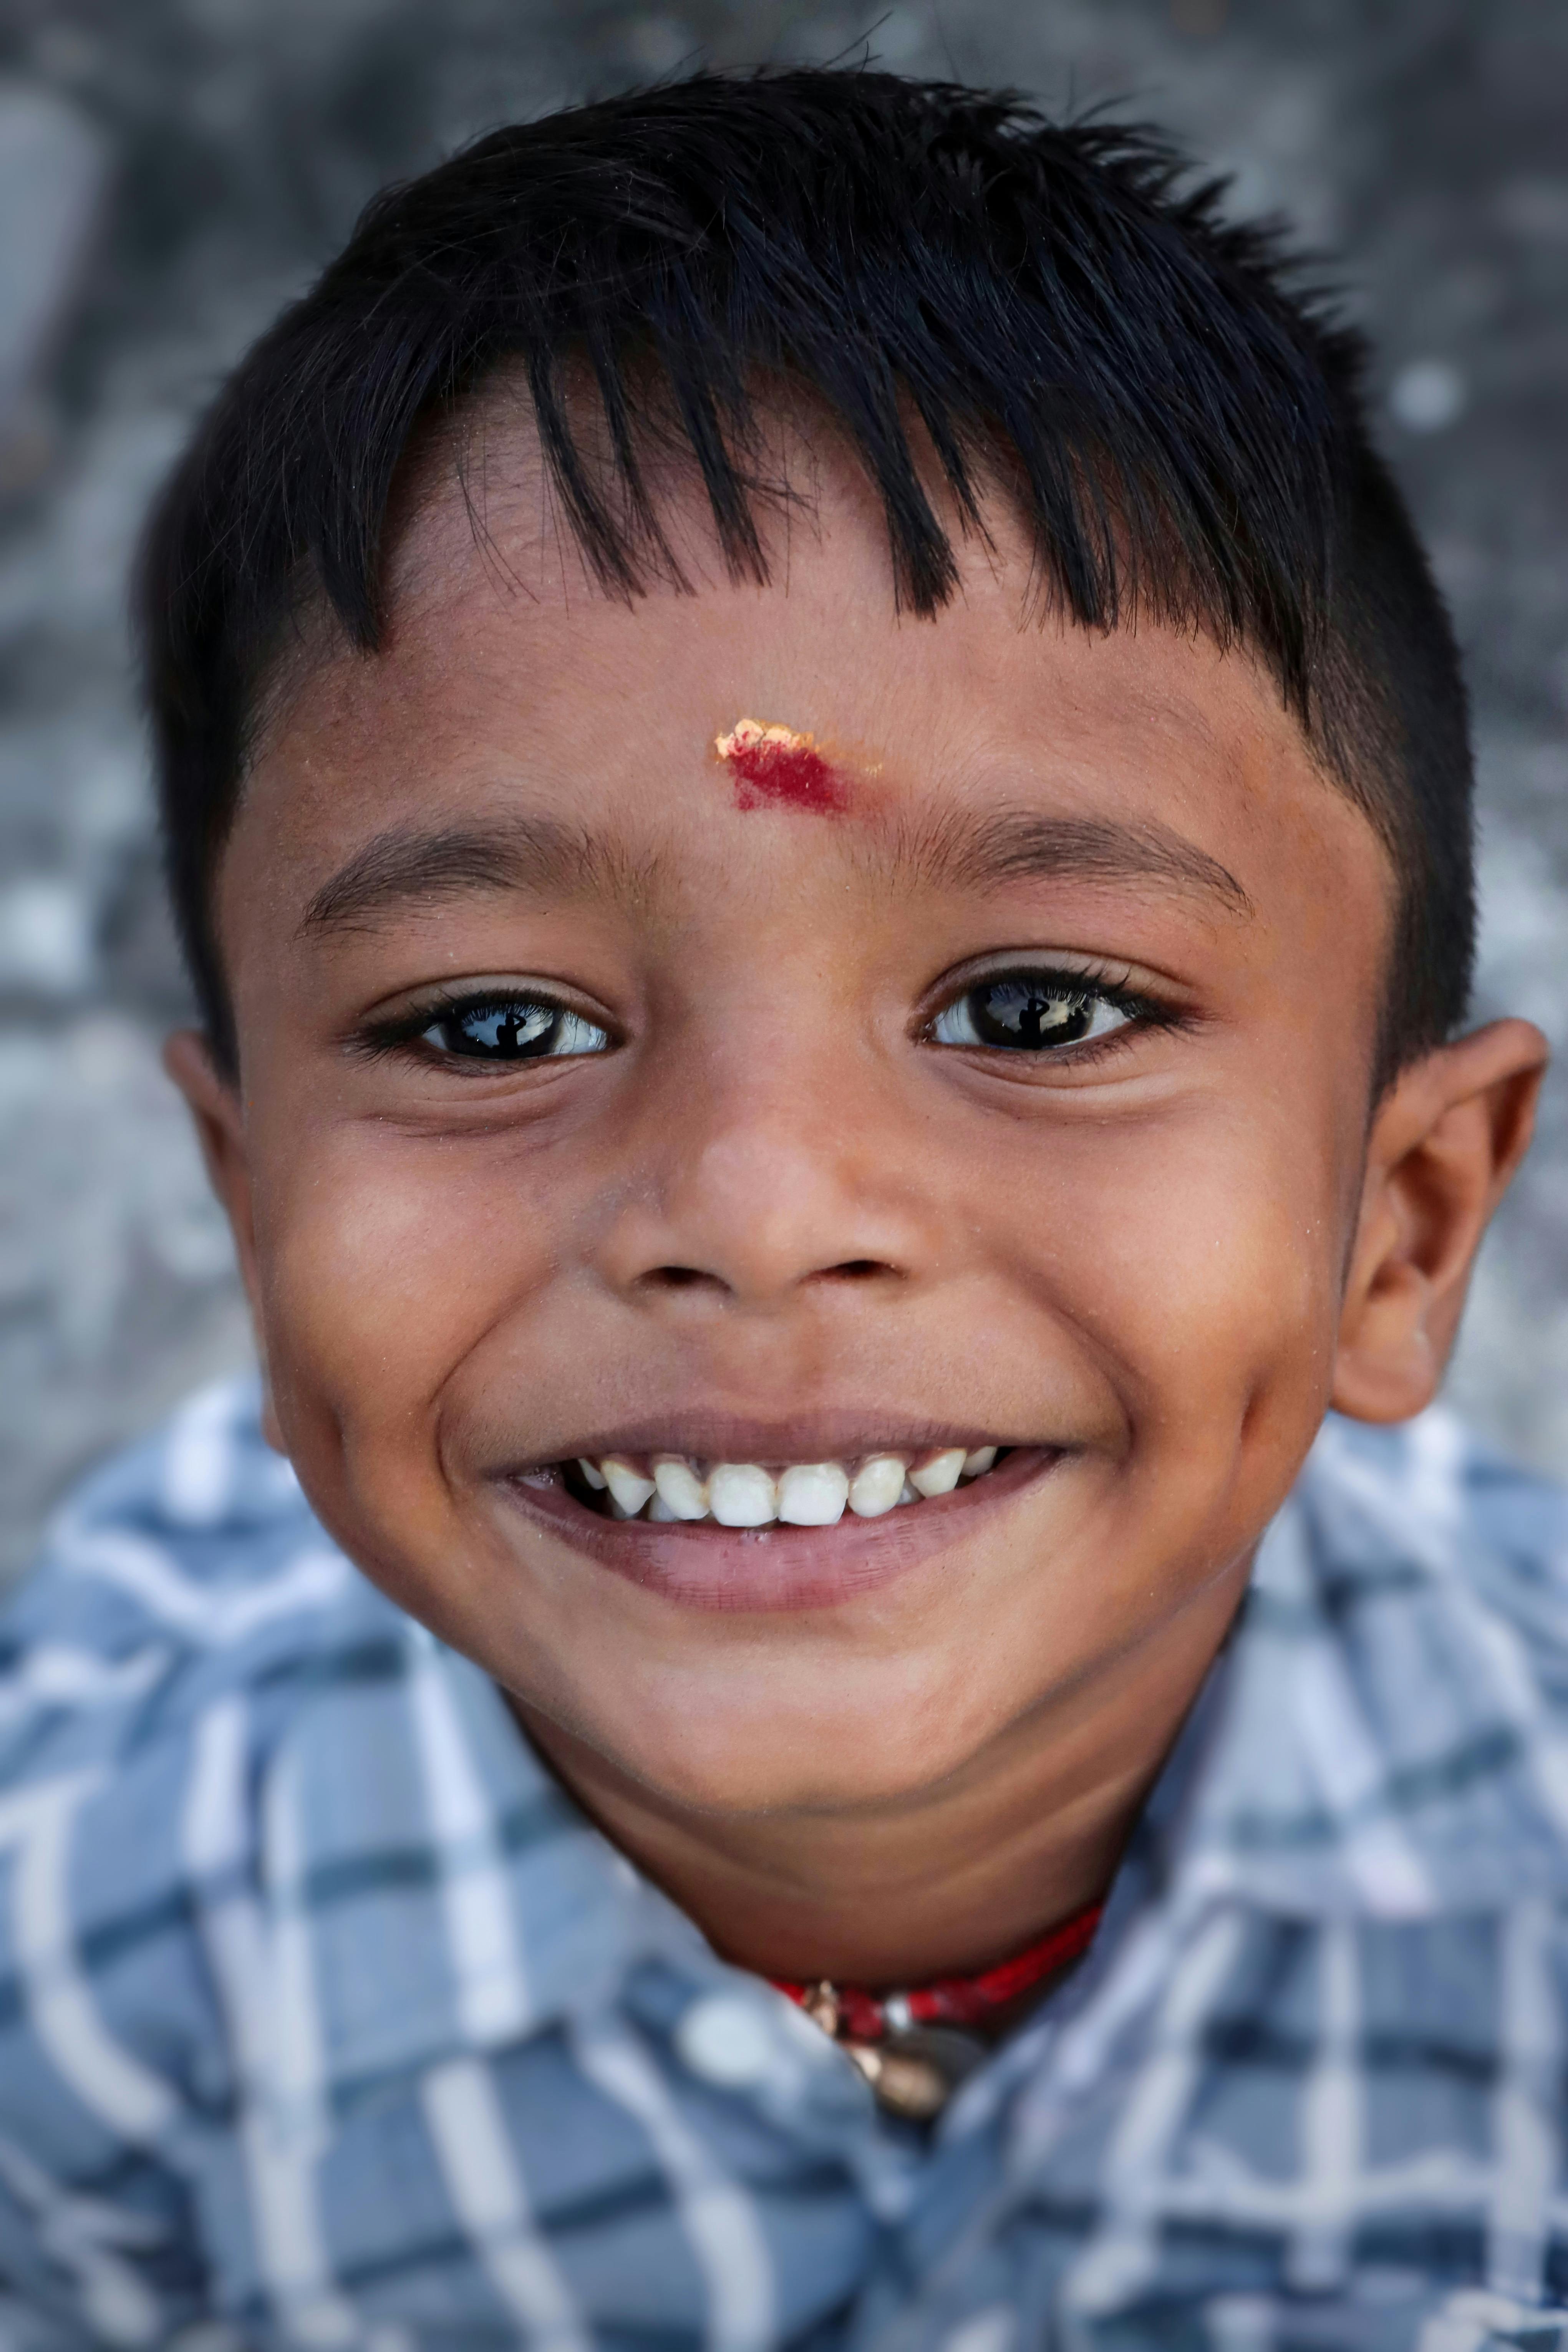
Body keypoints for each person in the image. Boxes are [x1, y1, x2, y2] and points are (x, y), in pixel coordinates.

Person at [0, 66, 1562, 2350]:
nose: (751, 1211)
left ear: (1400, 1230)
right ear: (254, 1225)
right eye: (493, 1028)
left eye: (1035, 1010)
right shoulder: (82, 1928)